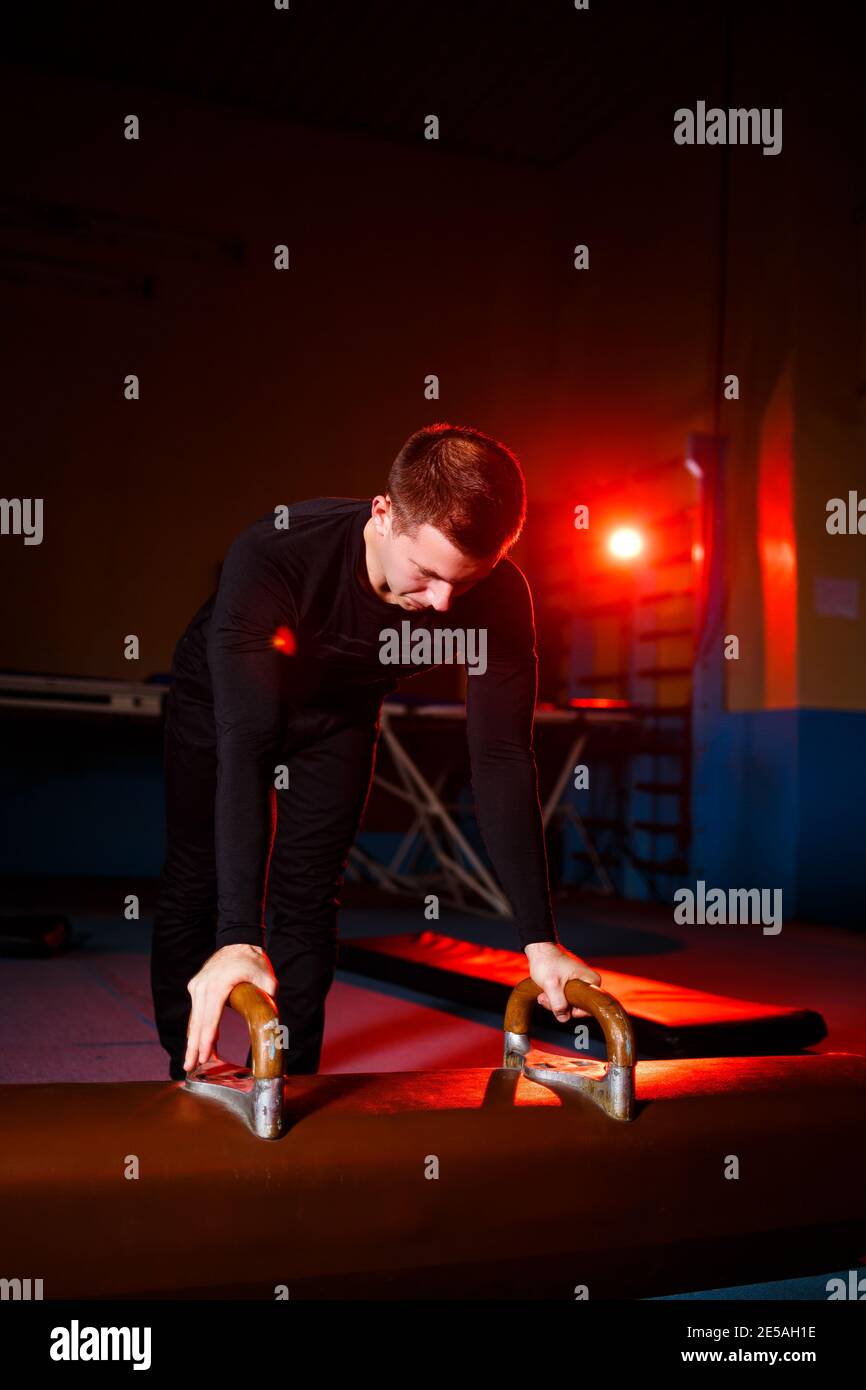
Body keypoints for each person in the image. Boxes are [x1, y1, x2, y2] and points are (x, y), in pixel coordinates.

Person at [151, 422, 601, 1080]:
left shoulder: (499, 595)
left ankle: (288, 1078)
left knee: (308, 893)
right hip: (219, 702)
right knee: (197, 876)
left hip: (341, 710)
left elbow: (502, 758)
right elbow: (246, 746)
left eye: (466, 583)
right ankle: (187, 1063)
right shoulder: (277, 552)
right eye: (427, 574)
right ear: (384, 515)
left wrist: (540, 941)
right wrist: (238, 938)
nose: (445, 605)